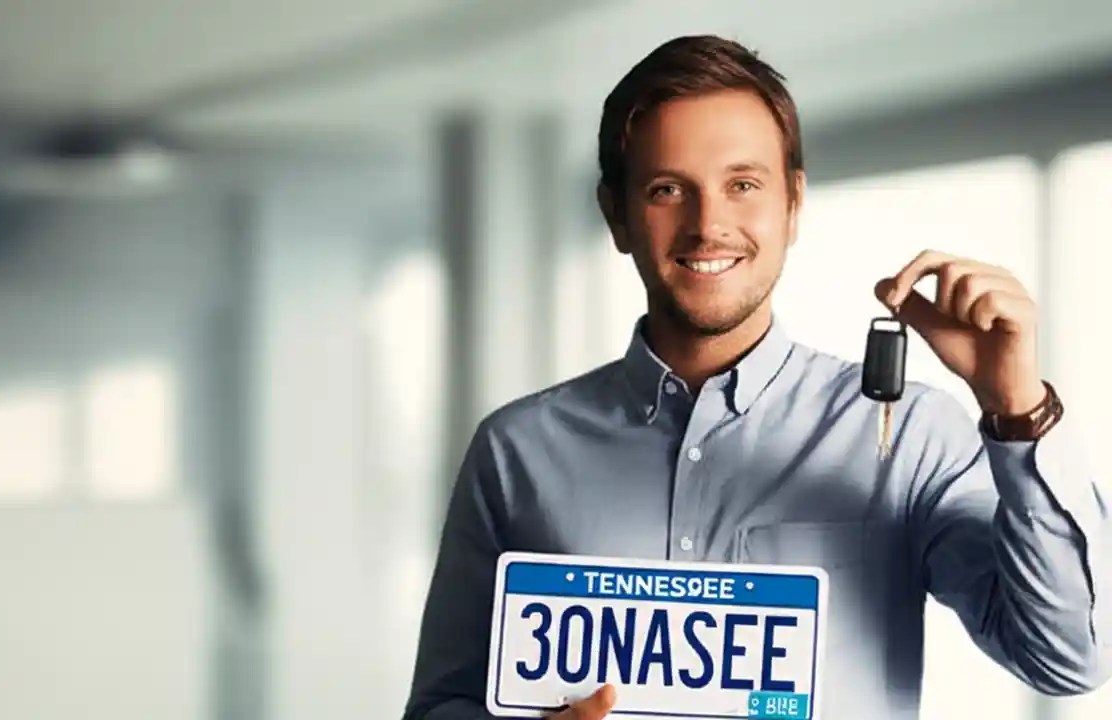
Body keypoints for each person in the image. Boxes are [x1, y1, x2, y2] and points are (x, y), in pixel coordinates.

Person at [401, 34, 1110, 720]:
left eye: (743, 184)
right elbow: (441, 705)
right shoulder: (515, 449)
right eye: (667, 189)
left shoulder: (912, 436)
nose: (709, 224)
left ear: (793, 203)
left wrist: (1019, 410)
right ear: (615, 215)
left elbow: (1068, 659)